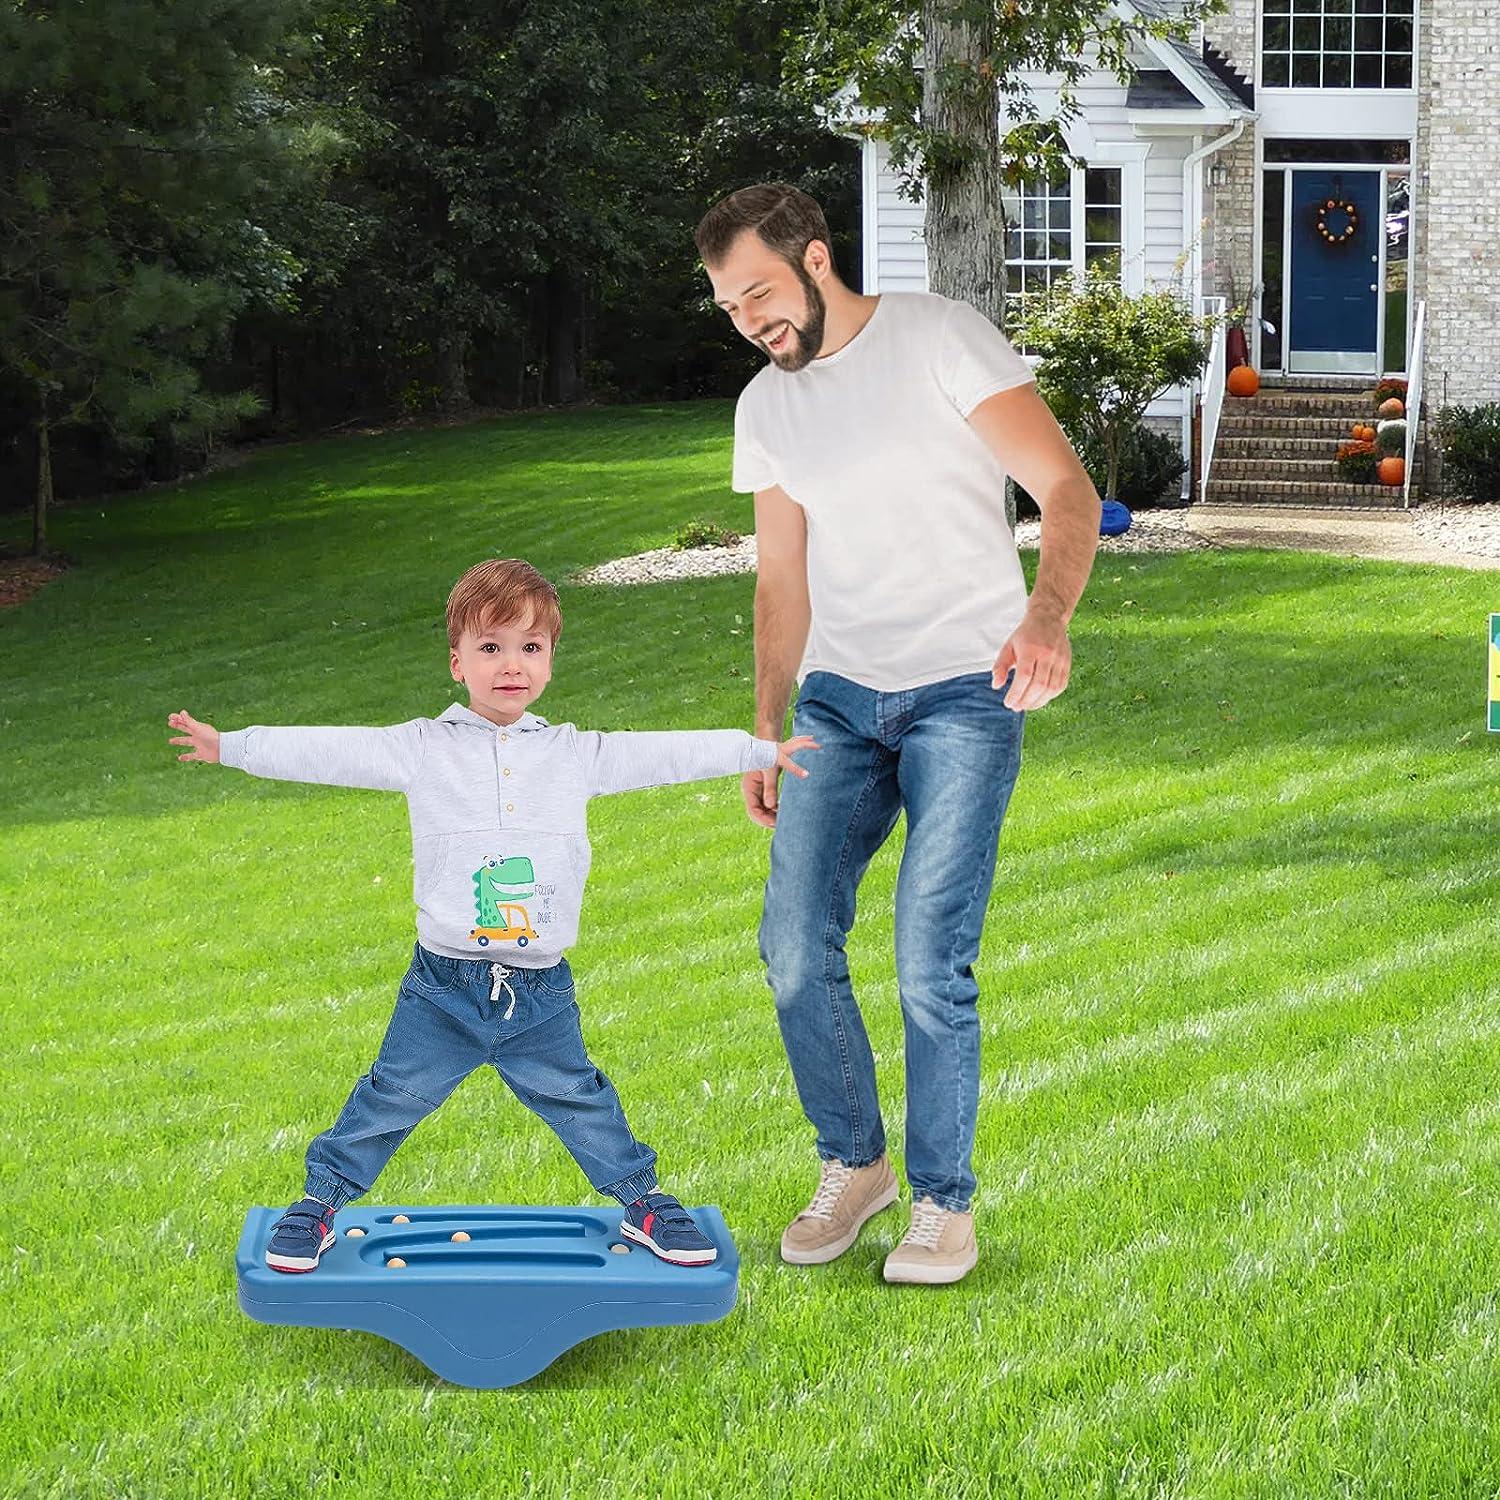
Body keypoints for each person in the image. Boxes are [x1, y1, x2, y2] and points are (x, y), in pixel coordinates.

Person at [167, 558, 816, 1271]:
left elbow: (662, 754)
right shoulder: (420, 748)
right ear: (458, 663)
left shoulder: (575, 755)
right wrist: (230, 746)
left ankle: (645, 1204)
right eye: (492, 647)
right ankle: (317, 1205)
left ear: (551, 661)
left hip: (539, 990)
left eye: (531, 648)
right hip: (443, 988)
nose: (513, 665)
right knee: (389, 1099)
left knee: (582, 1101)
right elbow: (329, 748)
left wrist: (760, 749)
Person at [696, 182, 1101, 1285]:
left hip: (966, 690)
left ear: (817, 260)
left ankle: (944, 1205)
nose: (751, 321)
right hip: (838, 697)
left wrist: (1047, 616)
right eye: (730, 307)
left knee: (930, 958)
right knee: (791, 949)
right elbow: (781, 575)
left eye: (762, 294)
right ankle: (854, 1164)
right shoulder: (766, 408)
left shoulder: (938, 338)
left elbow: (1064, 486)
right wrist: (768, 718)